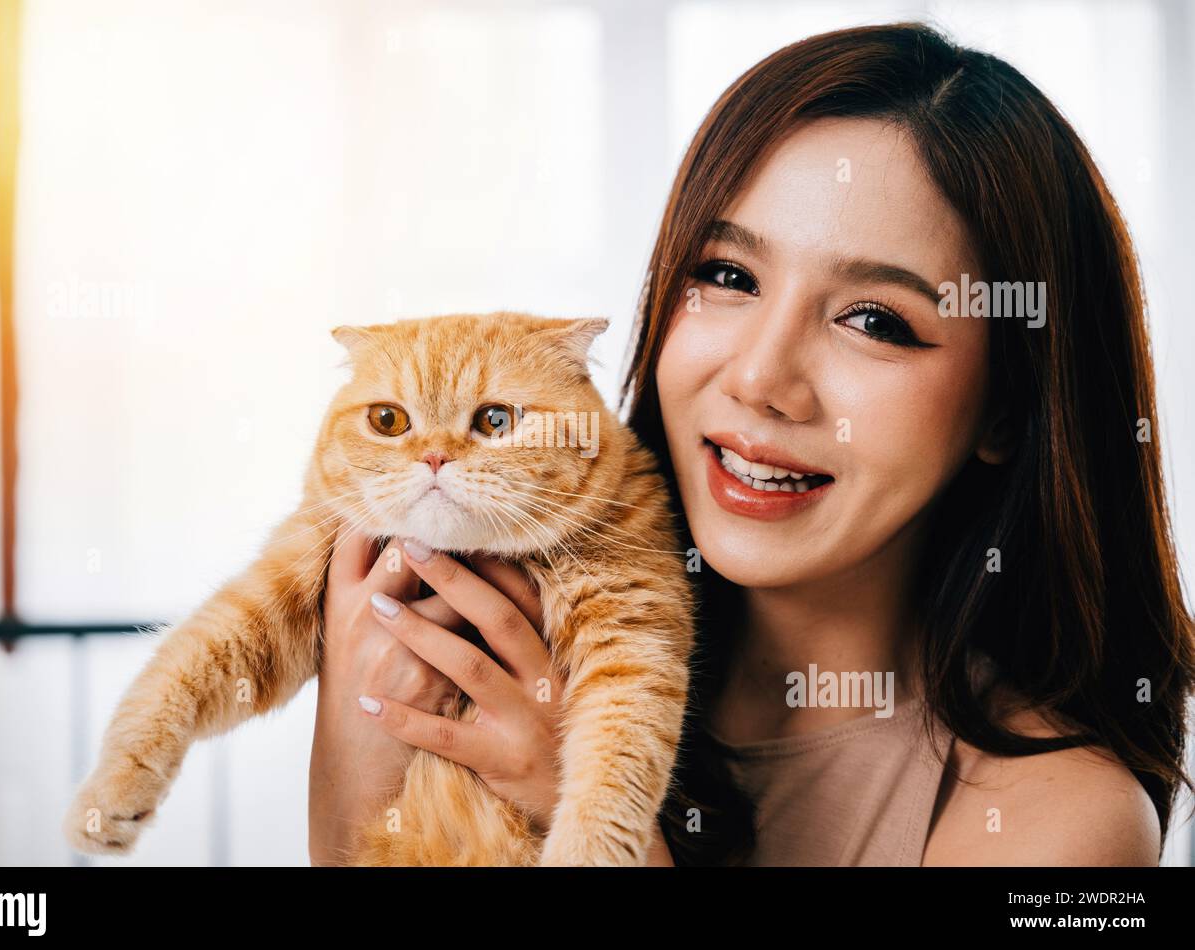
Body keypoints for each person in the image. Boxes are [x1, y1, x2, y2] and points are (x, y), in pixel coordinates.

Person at [307, 22, 1195, 866]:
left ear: (1009, 408)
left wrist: (577, 800)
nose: (759, 379)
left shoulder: (1066, 820)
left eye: (876, 320)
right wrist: (355, 763)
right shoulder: (466, 633)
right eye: (727, 276)